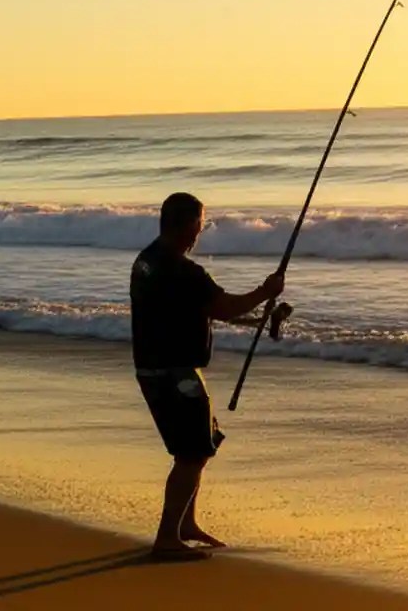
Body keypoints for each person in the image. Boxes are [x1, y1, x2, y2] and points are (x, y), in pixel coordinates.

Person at [130, 192, 283, 561]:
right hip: (177, 375)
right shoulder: (185, 272)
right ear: (184, 225)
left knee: (197, 449)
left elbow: (194, 311)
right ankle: (167, 538)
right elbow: (224, 306)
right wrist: (266, 292)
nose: (200, 232)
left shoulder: (146, 261)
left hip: (153, 369)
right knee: (191, 453)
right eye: (199, 224)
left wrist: (252, 317)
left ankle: (185, 524)